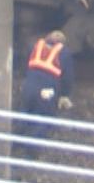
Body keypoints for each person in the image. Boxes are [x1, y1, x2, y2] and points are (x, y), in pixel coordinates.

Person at [15, 29, 74, 164]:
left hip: (29, 87)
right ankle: (31, 149)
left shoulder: (35, 46)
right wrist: (64, 95)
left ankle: (15, 141)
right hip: (47, 90)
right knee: (45, 116)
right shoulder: (64, 53)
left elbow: (25, 65)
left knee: (25, 111)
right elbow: (67, 78)